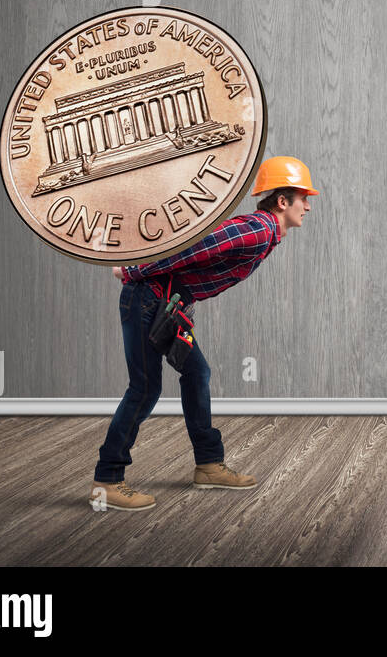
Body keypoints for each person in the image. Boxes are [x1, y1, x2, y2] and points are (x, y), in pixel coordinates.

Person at [89, 155, 318, 511]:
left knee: (197, 373)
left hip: (165, 304)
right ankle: (107, 480)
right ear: (283, 201)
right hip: (147, 297)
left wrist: (183, 310)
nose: (308, 206)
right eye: (303, 198)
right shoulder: (258, 229)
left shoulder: (267, 233)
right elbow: (197, 247)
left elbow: (199, 266)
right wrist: (135, 269)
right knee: (145, 388)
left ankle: (208, 465)